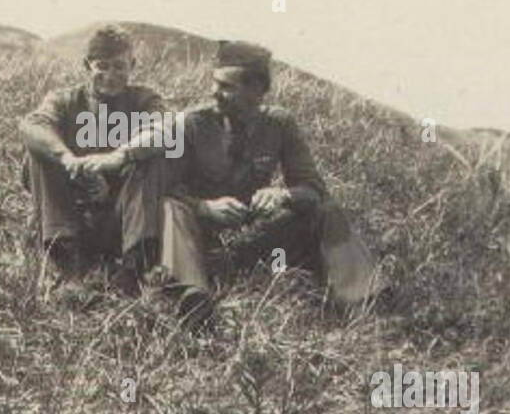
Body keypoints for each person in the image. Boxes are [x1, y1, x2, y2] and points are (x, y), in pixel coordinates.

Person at [158, 41, 378, 324]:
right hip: (201, 239)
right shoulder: (190, 124)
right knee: (170, 207)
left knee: (326, 210)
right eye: (215, 83)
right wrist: (204, 207)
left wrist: (283, 195)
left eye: (227, 86)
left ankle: (360, 302)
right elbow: (163, 187)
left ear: (256, 92)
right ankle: (193, 296)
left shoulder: (280, 124)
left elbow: (313, 188)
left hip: (255, 235)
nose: (215, 92)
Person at [19, 25, 175, 289]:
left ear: (132, 65)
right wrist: (66, 158)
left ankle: (134, 265)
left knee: (154, 156)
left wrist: (120, 156)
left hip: (122, 217)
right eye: (102, 66)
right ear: (86, 65)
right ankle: (67, 264)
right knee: (38, 153)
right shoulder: (64, 100)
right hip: (73, 213)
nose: (110, 76)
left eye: (119, 66)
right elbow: (32, 125)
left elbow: (165, 129)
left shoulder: (144, 99)